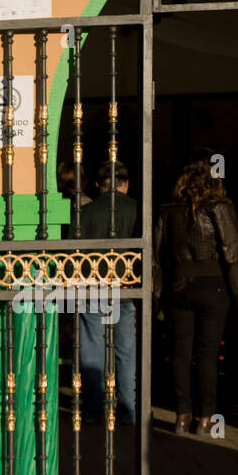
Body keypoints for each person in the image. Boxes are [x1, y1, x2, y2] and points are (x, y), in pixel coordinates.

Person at [153, 153, 238, 436]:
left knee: (180, 353)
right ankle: (205, 418)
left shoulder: (168, 208)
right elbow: (231, 253)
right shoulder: (220, 206)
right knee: (207, 354)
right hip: (214, 287)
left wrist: (157, 296)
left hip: (180, 285)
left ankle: (181, 415)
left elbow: (157, 256)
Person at [77, 160, 138, 426]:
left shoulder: (87, 212)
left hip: (91, 287)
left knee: (92, 350)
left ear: (97, 185)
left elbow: (73, 254)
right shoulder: (137, 209)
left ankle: (93, 409)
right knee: (125, 352)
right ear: (126, 184)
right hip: (124, 287)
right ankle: (127, 409)